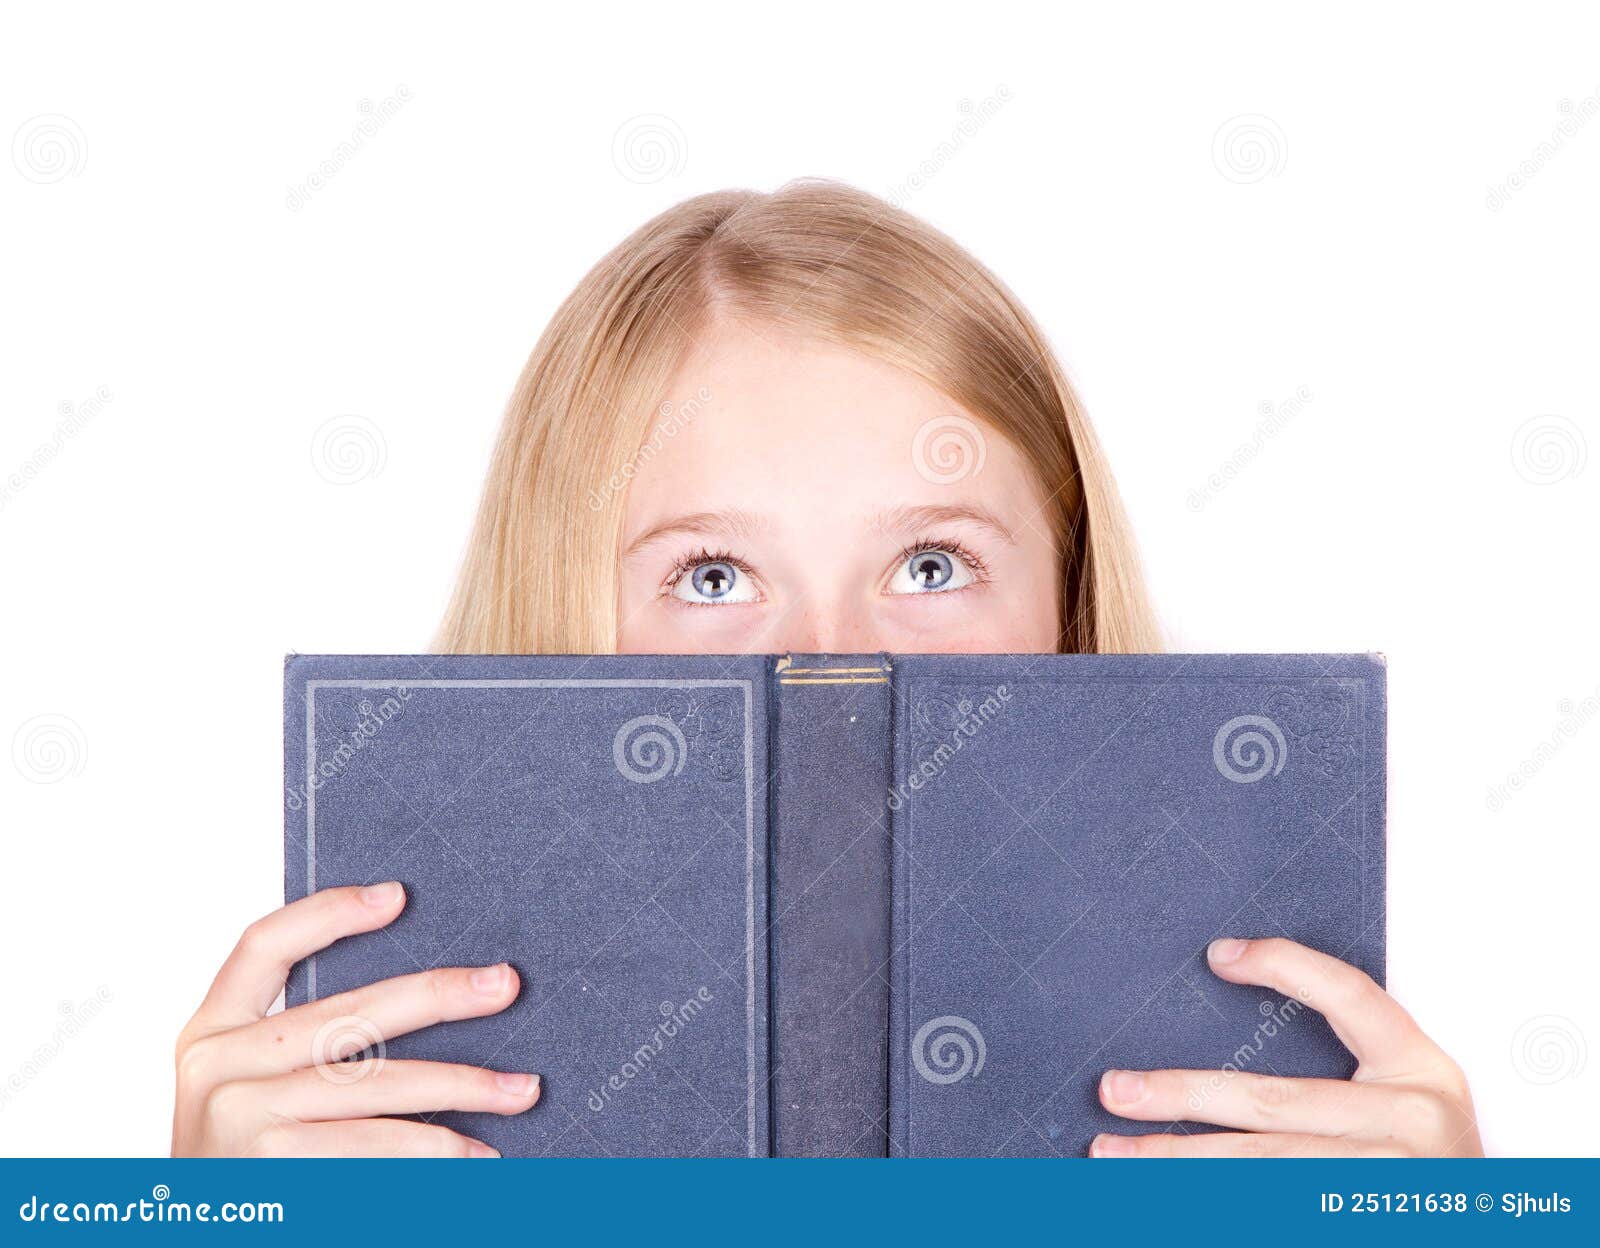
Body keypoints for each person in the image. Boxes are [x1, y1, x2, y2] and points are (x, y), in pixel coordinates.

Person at [172, 181, 1481, 1158]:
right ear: (560, 615)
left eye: (928, 565)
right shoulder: (372, 1124)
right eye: (711, 577)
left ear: (1072, 605)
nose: (829, 662)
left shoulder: (1288, 1097)